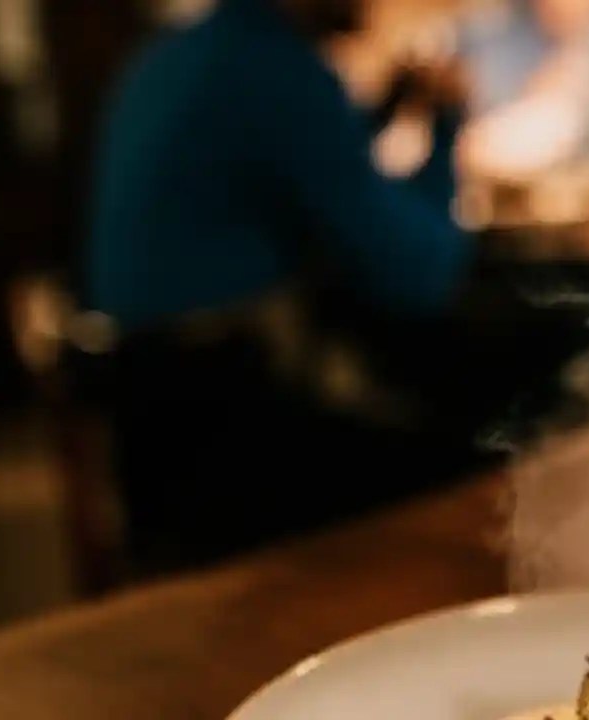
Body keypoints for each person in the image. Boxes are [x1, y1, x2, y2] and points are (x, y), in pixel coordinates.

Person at [84, 0, 472, 575]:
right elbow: (421, 275)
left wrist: (379, 114)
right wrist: (443, 127)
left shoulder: (187, 53)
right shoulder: (278, 71)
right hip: (225, 427)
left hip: (146, 420)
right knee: (470, 462)